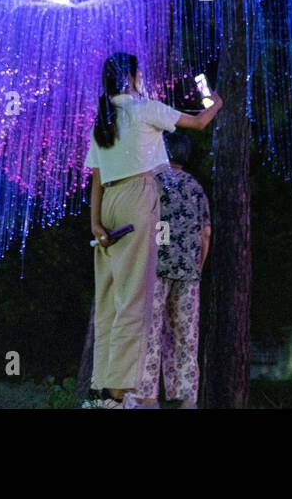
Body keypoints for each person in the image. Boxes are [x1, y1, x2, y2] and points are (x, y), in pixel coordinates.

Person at [86, 53, 221, 408]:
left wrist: (96, 224)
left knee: (109, 300)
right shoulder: (143, 107)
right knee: (134, 300)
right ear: (131, 77)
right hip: (137, 195)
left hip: (110, 202)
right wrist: (215, 102)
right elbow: (199, 123)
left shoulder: (103, 118)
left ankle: (101, 386)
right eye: (140, 73)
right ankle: (119, 392)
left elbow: (96, 180)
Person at [138, 131, 211, 409]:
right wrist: (197, 266)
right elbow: (206, 232)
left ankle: (148, 398)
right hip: (188, 272)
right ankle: (187, 400)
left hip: (153, 268)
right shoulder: (195, 187)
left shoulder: (152, 183)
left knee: (150, 331)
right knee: (185, 335)